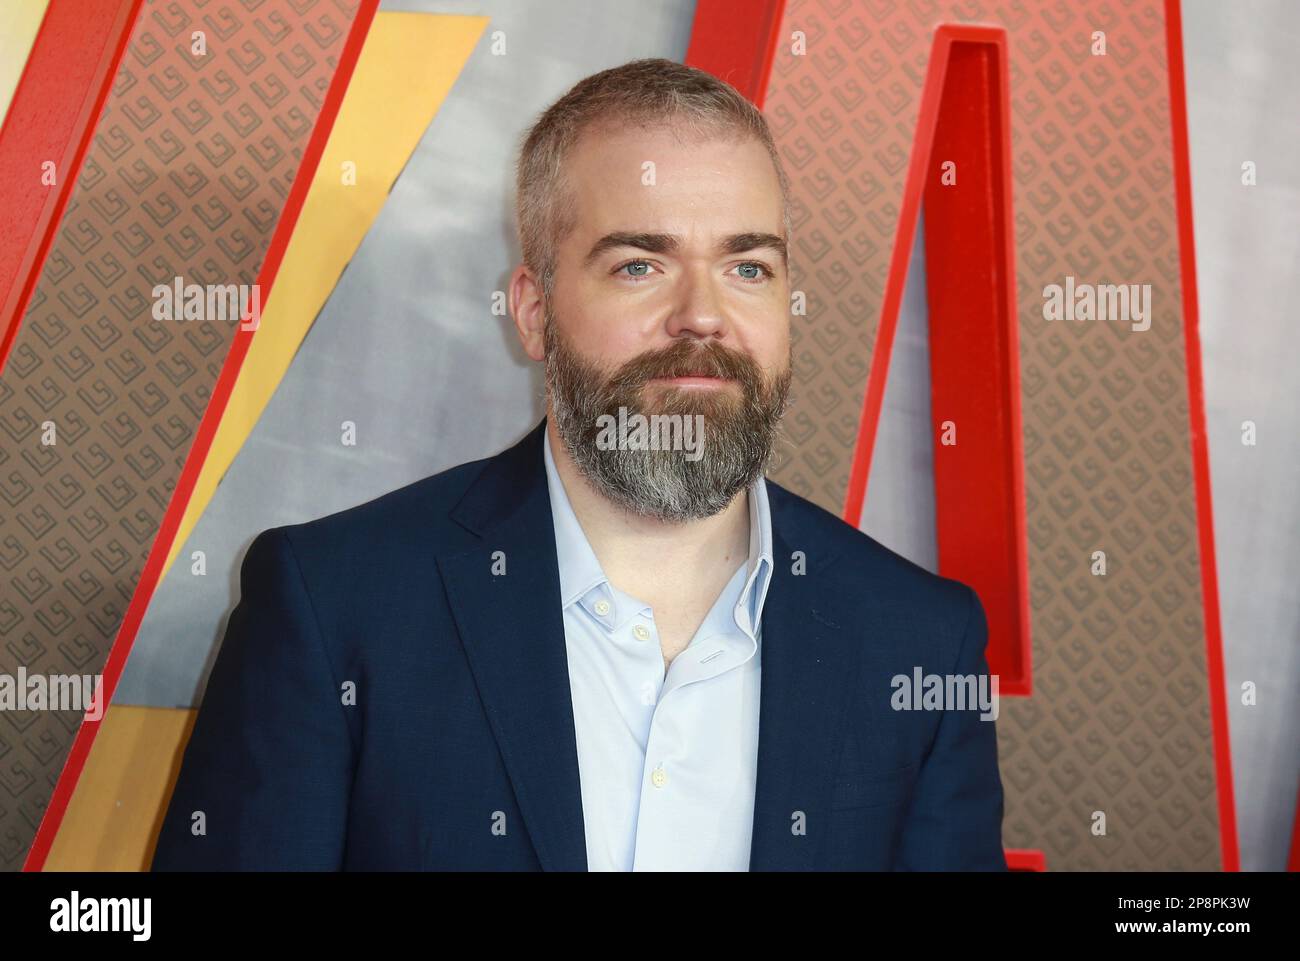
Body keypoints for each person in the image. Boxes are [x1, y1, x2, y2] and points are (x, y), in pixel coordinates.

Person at [152, 58, 1006, 871]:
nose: (701, 316)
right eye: (641, 264)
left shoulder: (919, 640)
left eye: (747, 267)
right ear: (532, 311)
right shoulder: (334, 610)